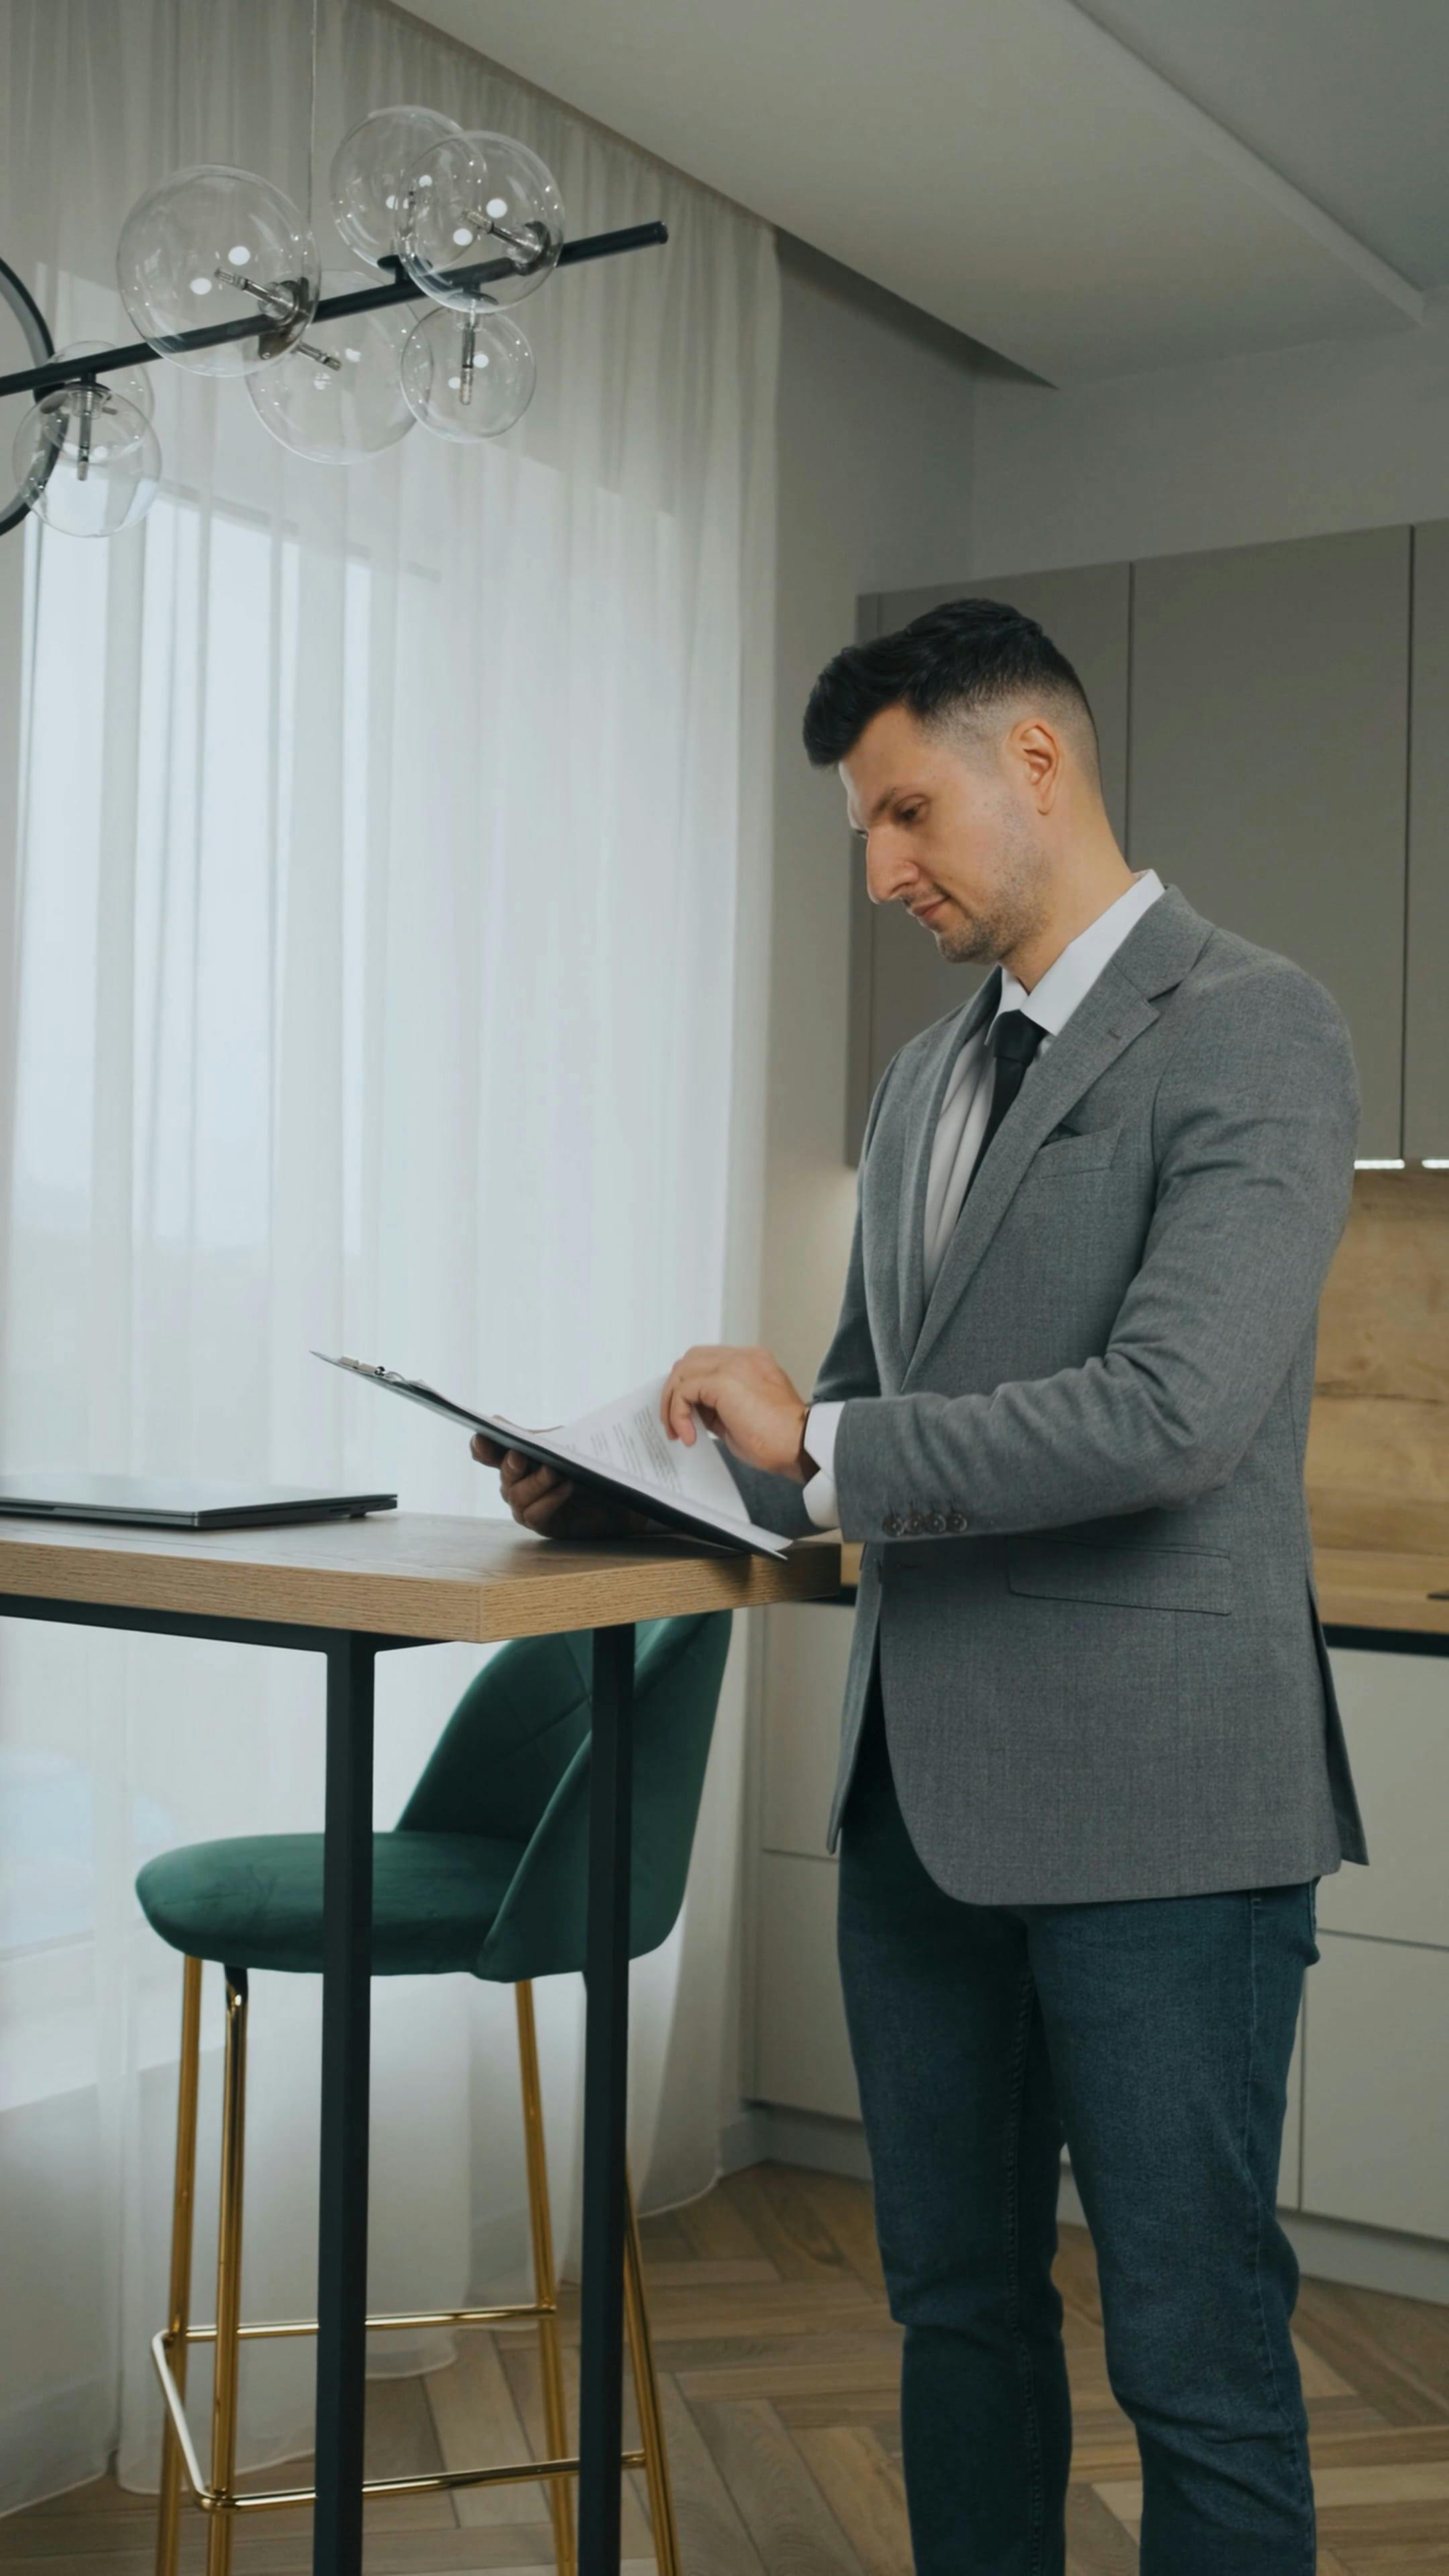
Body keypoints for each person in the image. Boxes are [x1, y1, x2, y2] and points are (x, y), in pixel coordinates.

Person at [475, 596, 1367, 2575]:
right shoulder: (917, 1087)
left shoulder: (1257, 1024)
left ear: (1032, 761)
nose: (881, 869)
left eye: (904, 813)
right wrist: (633, 1486)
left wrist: (823, 1445)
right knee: (955, 2316)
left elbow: (1170, 1416)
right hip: (921, 1817)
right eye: (863, 831)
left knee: (1195, 2352)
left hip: (1168, 1826)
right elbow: (859, 1433)